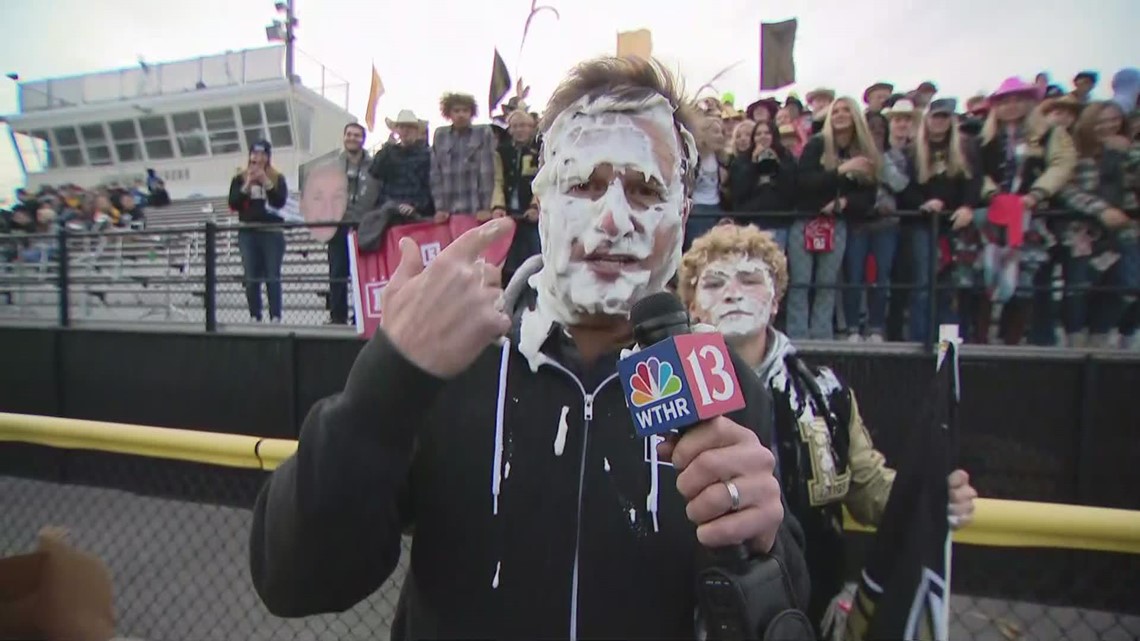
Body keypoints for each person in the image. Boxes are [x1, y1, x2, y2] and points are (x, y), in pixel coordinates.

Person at [249, 56, 809, 639]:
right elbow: (294, 579)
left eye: (645, 191)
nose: (612, 219)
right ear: (542, 201)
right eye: (583, 185)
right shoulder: (450, 364)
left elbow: (781, 607)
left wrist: (767, 546)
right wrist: (387, 380)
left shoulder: (724, 387)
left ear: (684, 216)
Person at [677, 223, 978, 636]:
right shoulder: (666, 395)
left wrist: (932, 495)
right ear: (692, 306)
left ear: (776, 298)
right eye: (715, 282)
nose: (733, 292)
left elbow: (871, 491)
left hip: (807, 618)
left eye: (750, 279)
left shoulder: (825, 392)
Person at [228, 140, 288, 323]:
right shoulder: (239, 178)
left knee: (272, 275)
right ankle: (255, 315)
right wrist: (247, 185)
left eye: (262, 154)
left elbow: (280, 202)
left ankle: (275, 316)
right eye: (255, 154)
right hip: (248, 232)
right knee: (251, 276)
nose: (258, 158)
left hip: (271, 232)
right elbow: (233, 203)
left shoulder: (277, 177)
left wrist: (266, 182)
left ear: (268, 157)